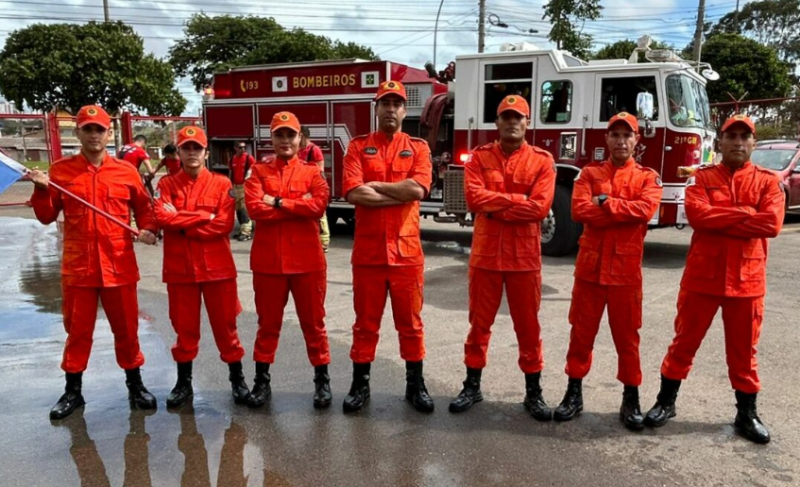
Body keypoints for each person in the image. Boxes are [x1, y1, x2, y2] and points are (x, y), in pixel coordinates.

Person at [645, 115, 784, 444]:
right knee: (683, 344)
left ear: (753, 143)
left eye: (744, 137)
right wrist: (747, 212)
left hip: (747, 282)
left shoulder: (768, 181)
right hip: (702, 279)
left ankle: (746, 414)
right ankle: (666, 403)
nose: (737, 142)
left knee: (744, 353)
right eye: (731, 136)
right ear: (719, 143)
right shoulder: (701, 178)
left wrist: (723, 218)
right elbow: (698, 216)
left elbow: (772, 225)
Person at [28, 105, 159, 420]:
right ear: (78, 132)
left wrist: (149, 229)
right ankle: (73, 391)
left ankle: (135, 384)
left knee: (127, 329)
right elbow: (46, 216)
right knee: (77, 331)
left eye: (99, 129)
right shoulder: (60, 172)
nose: (94, 135)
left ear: (109, 132)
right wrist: (40, 188)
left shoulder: (126, 171)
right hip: (79, 266)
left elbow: (144, 207)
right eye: (87, 129)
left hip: (119, 264)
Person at [448, 95, 556, 421]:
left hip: (524, 259)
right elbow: (472, 198)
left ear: (527, 122)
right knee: (478, 326)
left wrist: (497, 208)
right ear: (496, 123)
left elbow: (540, 207)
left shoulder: (542, 161)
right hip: (486, 257)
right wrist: (516, 200)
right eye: (506, 117)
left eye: (518, 117)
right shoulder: (480, 158)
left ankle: (533, 392)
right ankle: (472, 385)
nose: (512, 122)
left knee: (528, 328)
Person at [553, 112, 662, 430]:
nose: (621, 140)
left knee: (628, 340)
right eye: (615, 134)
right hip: (590, 272)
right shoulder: (588, 173)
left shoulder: (646, 177)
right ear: (607, 139)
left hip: (626, 275)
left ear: (636, 140)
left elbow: (645, 211)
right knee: (580, 335)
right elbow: (577, 210)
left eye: (627, 135)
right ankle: (573, 394)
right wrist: (618, 210)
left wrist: (605, 203)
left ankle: (631, 399)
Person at [341, 80, 434, 413]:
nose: (391, 108)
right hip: (368, 254)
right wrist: (397, 193)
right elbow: (353, 192)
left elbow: (418, 190)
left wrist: (376, 186)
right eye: (385, 103)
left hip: (406, 255)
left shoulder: (418, 148)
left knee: (410, 324)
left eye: (396, 103)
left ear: (404, 110)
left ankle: (415, 385)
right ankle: (359, 386)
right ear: (376, 109)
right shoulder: (357, 147)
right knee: (365, 323)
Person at [153, 126, 250, 408]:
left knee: (227, 329)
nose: (192, 153)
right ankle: (184, 384)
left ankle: (238, 381)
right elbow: (162, 218)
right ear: (179, 153)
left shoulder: (222, 184)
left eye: (197, 148)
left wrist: (182, 221)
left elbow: (223, 225)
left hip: (218, 270)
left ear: (206, 152)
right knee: (184, 330)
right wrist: (202, 216)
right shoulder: (166, 185)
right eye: (187, 148)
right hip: (180, 271)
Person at [244, 112, 332, 409]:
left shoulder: (312, 172)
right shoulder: (257, 172)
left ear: (300, 138)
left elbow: (318, 206)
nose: (285, 141)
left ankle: (322, 381)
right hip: (269, 263)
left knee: (314, 324)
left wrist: (279, 201)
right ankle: (261, 382)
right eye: (279, 135)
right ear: (272, 138)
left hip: (308, 263)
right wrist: (299, 205)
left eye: (290, 135)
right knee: (267, 325)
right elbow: (255, 210)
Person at [299, 126, 330, 252]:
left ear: (303, 136)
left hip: (314, 188)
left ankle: (324, 243)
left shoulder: (314, 150)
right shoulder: (299, 150)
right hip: (302, 187)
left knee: (320, 215)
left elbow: (319, 171)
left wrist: (314, 191)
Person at [228, 142, 255, 241]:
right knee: (238, 208)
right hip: (236, 186)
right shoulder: (232, 159)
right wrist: (230, 185)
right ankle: (241, 229)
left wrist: (249, 184)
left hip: (245, 186)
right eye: (240, 147)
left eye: (244, 147)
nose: (243, 149)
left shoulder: (249, 158)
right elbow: (231, 171)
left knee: (244, 208)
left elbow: (252, 171)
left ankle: (246, 232)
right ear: (235, 148)